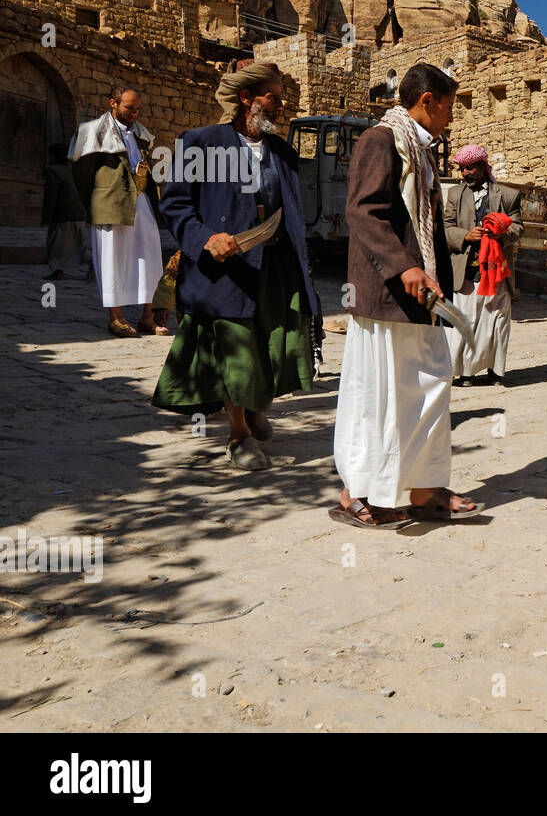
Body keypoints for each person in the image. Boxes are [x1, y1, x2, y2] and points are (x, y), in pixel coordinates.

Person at [331, 63, 482, 528]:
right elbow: (363, 212)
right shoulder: (382, 140)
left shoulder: (422, 149)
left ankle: (423, 486)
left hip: (422, 294)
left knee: (430, 386)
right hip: (387, 294)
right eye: (449, 106)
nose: (452, 118)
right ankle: (358, 491)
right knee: (380, 394)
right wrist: (406, 266)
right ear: (428, 101)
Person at [151, 61, 318, 471]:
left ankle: (255, 403)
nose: (281, 104)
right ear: (246, 99)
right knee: (235, 347)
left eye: (281, 96)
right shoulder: (200, 143)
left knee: (273, 344)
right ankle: (239, 432)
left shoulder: (282, 151)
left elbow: (292, 211)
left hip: (275, 265)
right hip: (225, 268)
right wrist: (205, 238)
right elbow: (174, 203)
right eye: (272, 97)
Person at [69, 87, 165, 337]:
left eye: (137, 109)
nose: (134, 113)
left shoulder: (141, 134)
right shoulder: (91, 132)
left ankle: (148, 316)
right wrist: (96, 200)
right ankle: (116, 317)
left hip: (141, 200)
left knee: (149, 254)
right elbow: (81, 174)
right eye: (128, 108)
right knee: (112, 257)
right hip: (109, 201)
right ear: (113, 102)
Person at [444, 144, 524, 385]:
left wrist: (501, 233)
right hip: (467, 269)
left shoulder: (508, 195)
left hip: (497, 270)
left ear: (481, 167)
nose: (465, 173)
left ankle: (496, 371)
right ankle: (466, 372)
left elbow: (519, 228)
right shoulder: (455, 195)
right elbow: (446, 228)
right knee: (466, 320)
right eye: (462, 169)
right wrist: (465, 236)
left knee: (496, 321)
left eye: (469, 168)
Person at [41, 144, 87, 281]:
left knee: (55, 245)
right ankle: (93, 266)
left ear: (53, 156)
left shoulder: (53, 172)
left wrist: (47, 218)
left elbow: (51, 197)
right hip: (79, 214)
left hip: (64, 215)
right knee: (79, 245)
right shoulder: (71, 171)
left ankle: (57, 271)